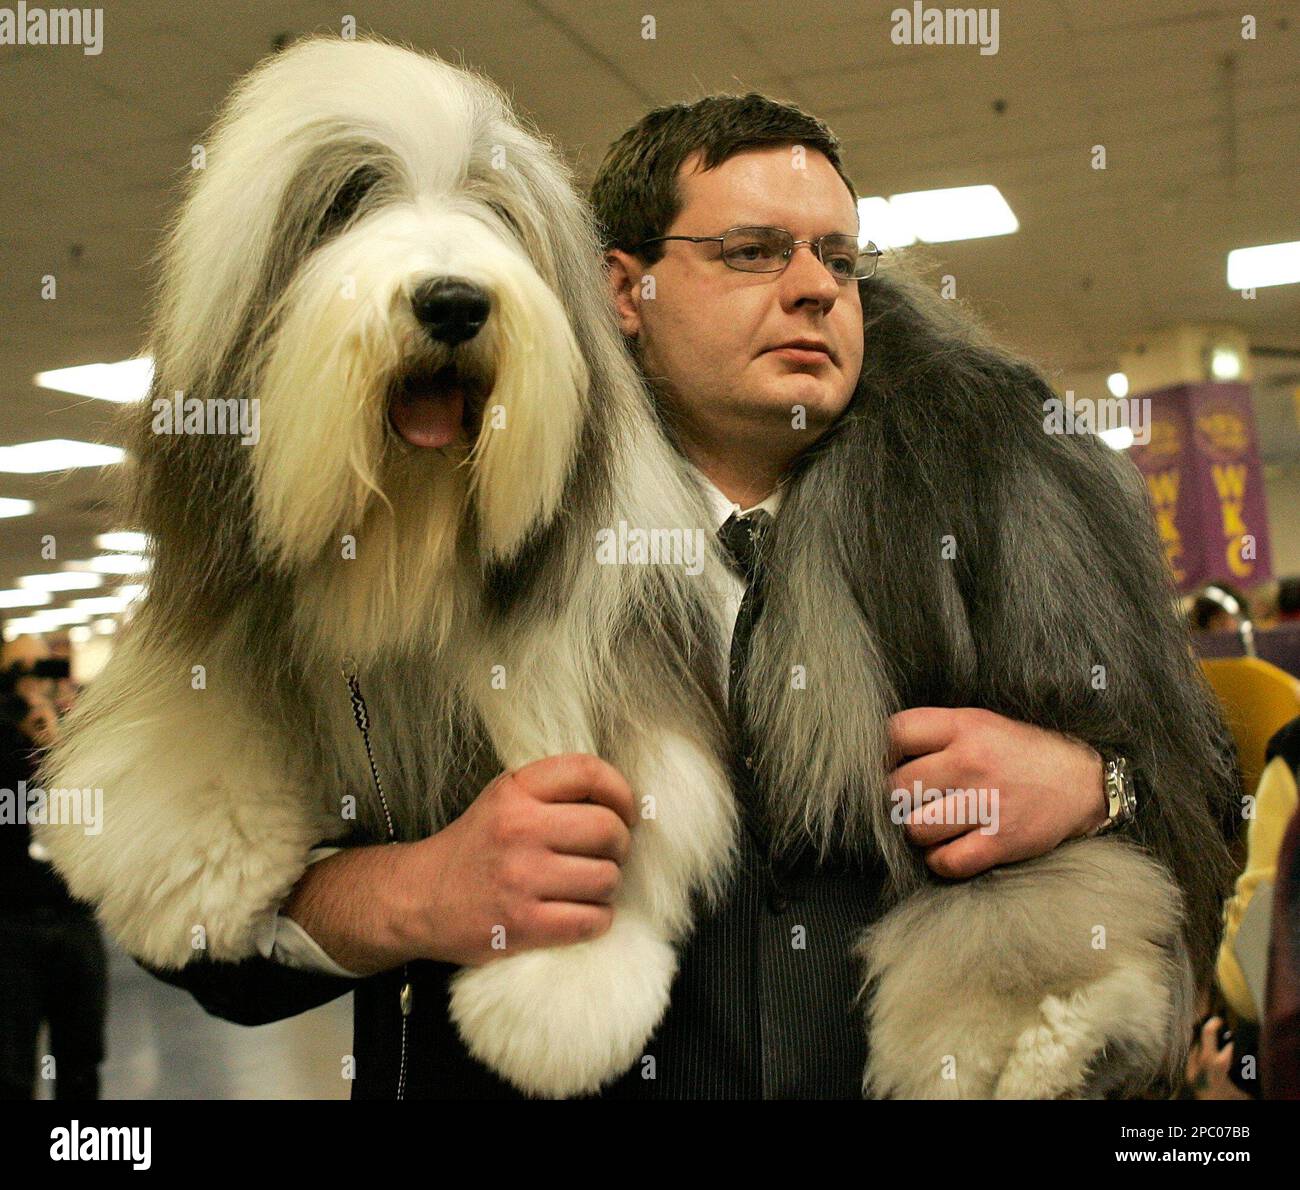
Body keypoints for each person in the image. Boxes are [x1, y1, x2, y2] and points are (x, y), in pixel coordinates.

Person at [140, 91, 1237, 1099]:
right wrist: (413, 892)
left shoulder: (1007, 504)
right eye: (752, 251)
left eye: (841, 258)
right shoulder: (428, 506)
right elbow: (195, 919)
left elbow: (1207, 793)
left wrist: (1097, 785)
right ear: (624, 289)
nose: (815, 286)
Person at [0, 680, 107, 1100]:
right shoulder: (8, 757)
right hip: (11, 929)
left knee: (80, 1059)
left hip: (73, 923)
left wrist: (56, 743)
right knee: (10, 1069)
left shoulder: (68, 761)